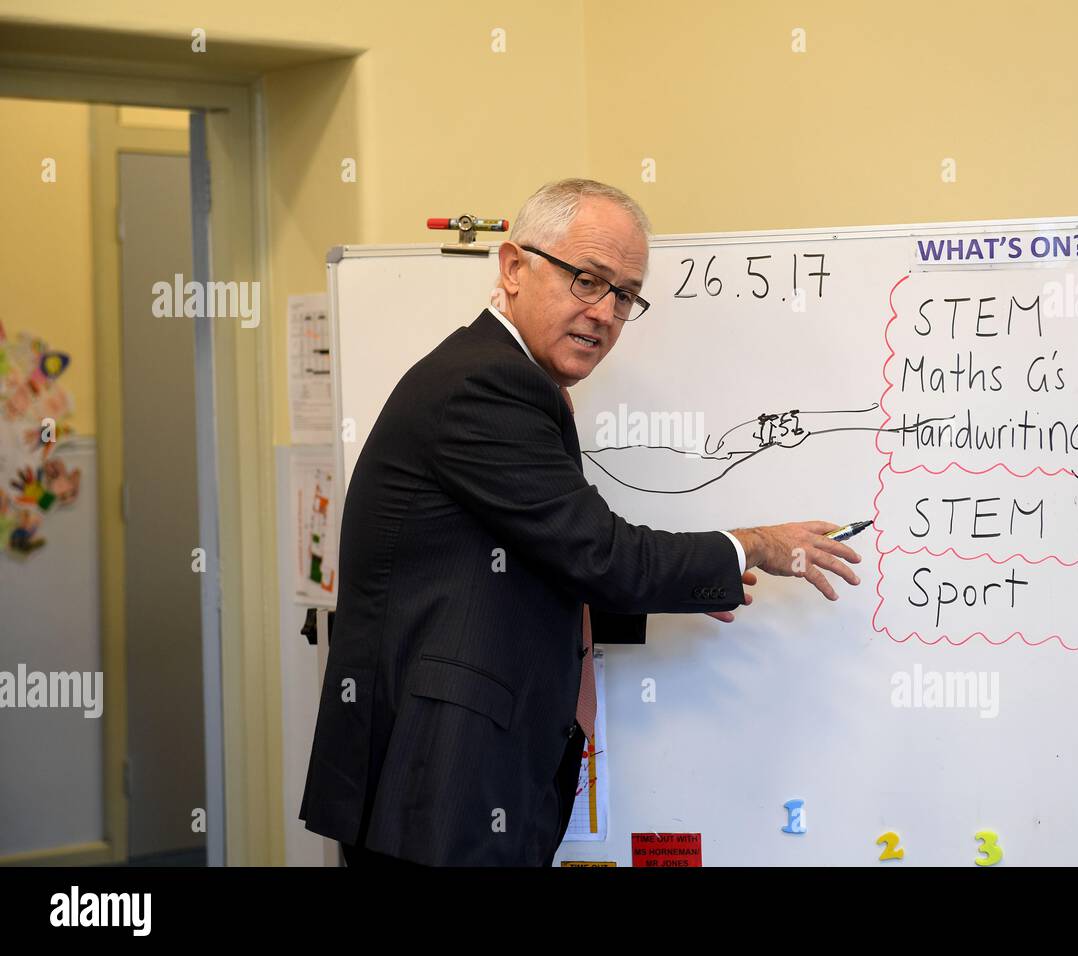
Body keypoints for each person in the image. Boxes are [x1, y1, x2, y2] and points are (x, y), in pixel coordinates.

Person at [300, 178, 861, 866]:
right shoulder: (486, 386)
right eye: (587, 281)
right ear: (513, 268)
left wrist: (686, 581)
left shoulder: (502, 377)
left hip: (452, 785)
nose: (604, 313)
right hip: (438, 786)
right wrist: (754, 546)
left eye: (624, 295)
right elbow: (601, 554)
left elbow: (543, 564)